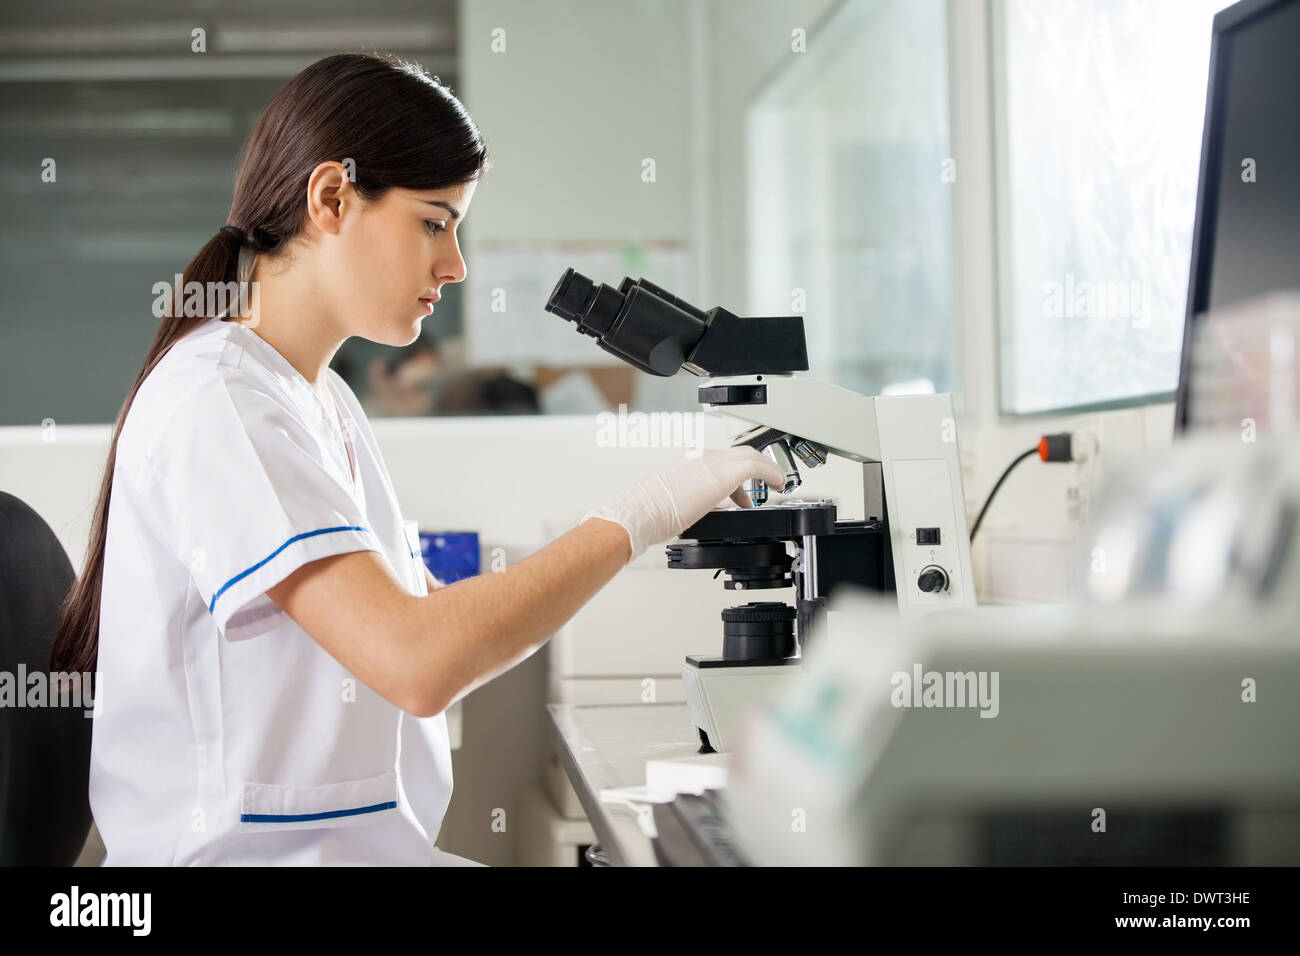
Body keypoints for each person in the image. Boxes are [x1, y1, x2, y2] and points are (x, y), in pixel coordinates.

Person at [49, 52, 782, 867]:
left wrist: (639, 520)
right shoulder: (221, 399)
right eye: (435, 222)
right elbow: (419, 662)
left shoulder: (321, 398)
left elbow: (435, 622)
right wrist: (643, 514)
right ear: (332, 198)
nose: (455, 265)